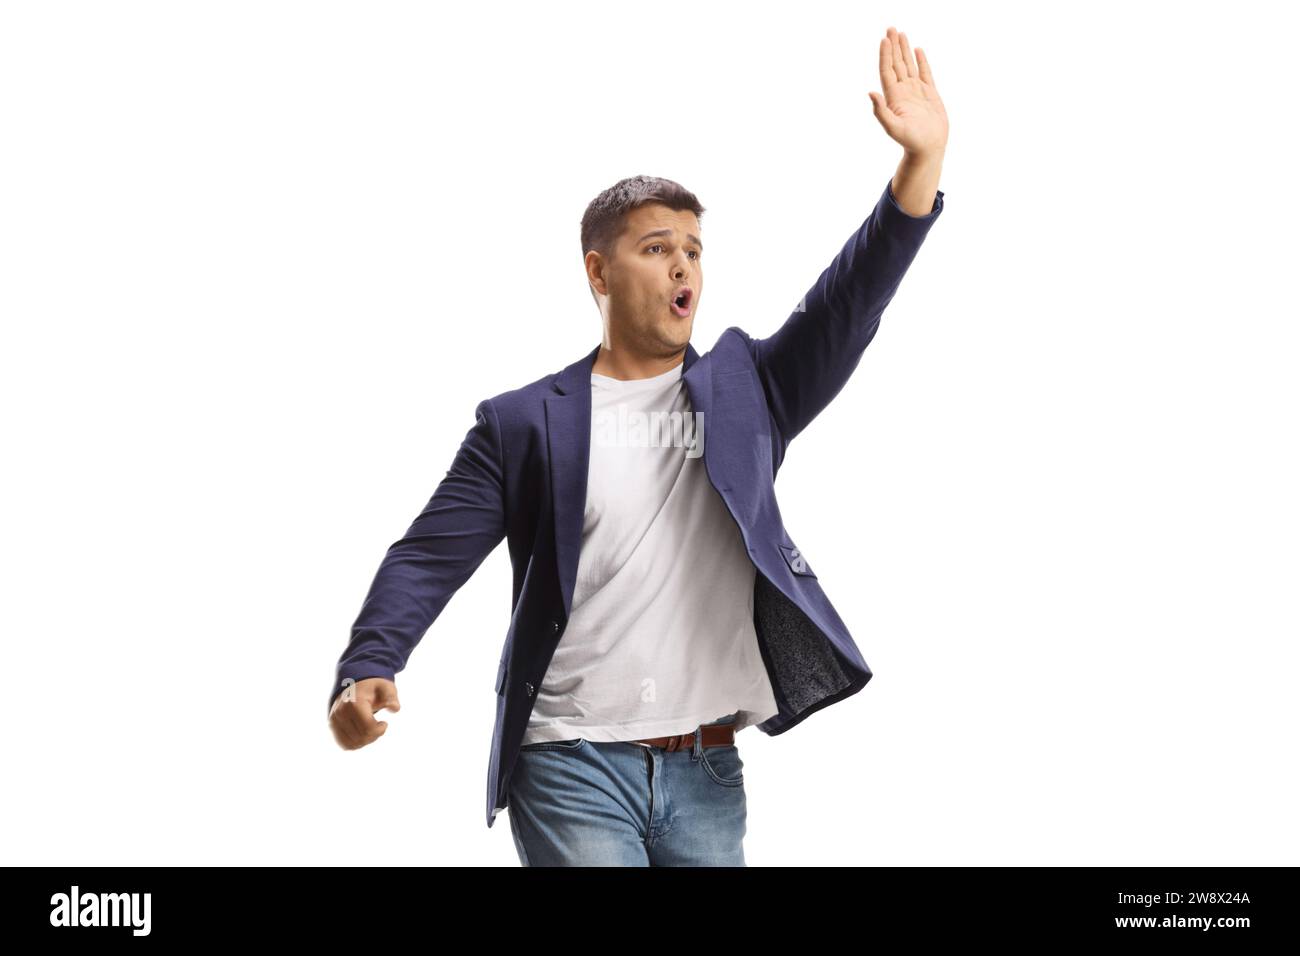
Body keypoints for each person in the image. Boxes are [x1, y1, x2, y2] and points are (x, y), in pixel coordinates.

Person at [328, 26, 948, 866]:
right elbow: (428, 556)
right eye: (657, 249)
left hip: (706, 766)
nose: (682, 267)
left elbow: (846, 305)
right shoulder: (522, 423)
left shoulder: (747, 390)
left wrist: (917, 172)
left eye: (693, 250)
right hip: (569, 761)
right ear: (599, 272)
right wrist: (369, 660)